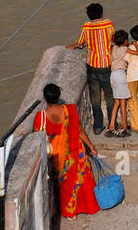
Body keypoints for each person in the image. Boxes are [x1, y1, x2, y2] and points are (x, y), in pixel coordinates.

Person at [34, 83, 99, 219]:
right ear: (59, 96)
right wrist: (91, 146)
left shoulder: (41, 117)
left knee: (65, 185)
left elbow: (36, 140)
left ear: (45, 98)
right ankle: (88, 207)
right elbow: (80, 130)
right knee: (82, 179)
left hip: (58, 156)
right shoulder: (68, 110)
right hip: (75, 149)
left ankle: (71, 212)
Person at [68, 2, 115, 136]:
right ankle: (113, 124)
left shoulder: (86, 26)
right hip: (106, 64)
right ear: (101, 13)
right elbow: (113, 39)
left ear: (89, 16)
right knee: (110, 96)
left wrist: (74, 46)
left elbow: (80, 42)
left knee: (95, 98)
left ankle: (98, 126)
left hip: (92, 65)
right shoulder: (108, 24)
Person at [107, 30, 131, 138]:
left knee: (116, 102)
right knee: (123, 104)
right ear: (125, 41)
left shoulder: (113, 48)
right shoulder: (126, 49)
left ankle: (111, 126)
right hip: (121, 75)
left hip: (113, 75)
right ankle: (124, 127)